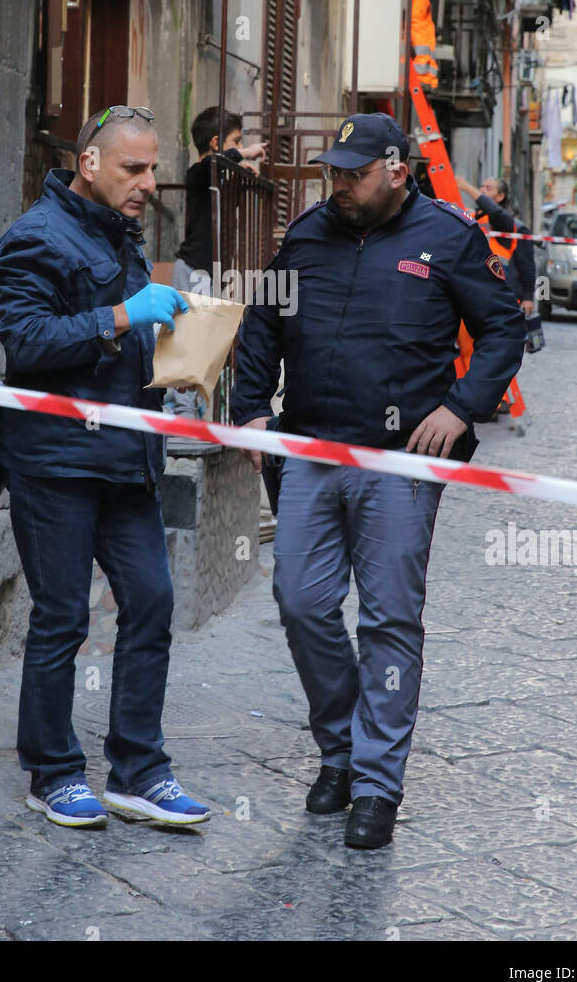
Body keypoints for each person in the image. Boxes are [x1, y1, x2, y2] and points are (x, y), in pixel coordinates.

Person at [230, 114, 526, 850]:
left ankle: (374, 783)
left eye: (354, 174)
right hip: (309, 450)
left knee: (389, 619)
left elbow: (503, 331)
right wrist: (250, 412)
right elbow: (264, 320)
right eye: (334, 172)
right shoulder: (307, 234)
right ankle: (338, 747)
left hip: (400, 461)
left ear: (398, 171)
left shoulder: (452, 237)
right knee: (300, 602)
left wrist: (460, 408)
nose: (340, 186)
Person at [0, 106, 210, 830]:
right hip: (53, 461)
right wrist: (123, 316)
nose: (149, 183)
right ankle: (51, 773)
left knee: (152, 602)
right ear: (90, 163)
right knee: (61, 618)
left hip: (125, 460)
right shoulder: (32, 238)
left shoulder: (123, 233)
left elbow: (116, 340)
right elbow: (26, 342)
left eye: (153, 169)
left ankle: (138, 770)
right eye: (133, 169)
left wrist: (174, 363)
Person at [173, 106, 267, 293]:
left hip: (210, 270)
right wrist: (245, 153)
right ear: (216, 143)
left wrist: (239, 178)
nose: (240, 147)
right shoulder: (198, 172)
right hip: (194, 268)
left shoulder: (218, 178)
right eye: (237, 141)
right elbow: (213, 163)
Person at [456, 175, 536, 317]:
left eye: (488, 188)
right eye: (481, 187)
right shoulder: (474, 217)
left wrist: (528, 297)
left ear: (500, 197)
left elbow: (527, 266)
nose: (482, 190)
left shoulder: (507, 223)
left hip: (501, 294)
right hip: (474, 290)